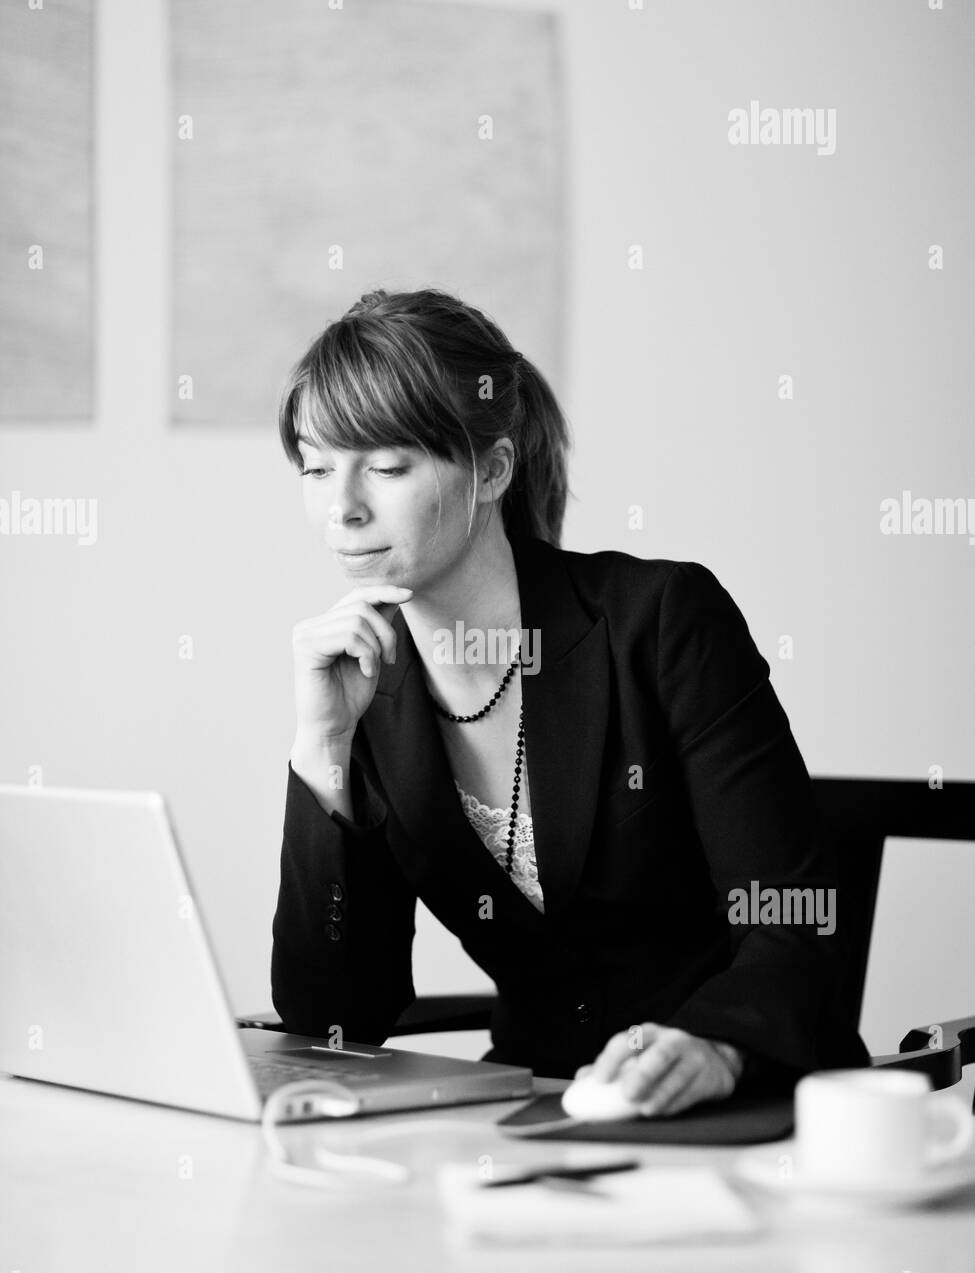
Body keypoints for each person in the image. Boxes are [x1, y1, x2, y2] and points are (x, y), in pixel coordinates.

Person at [270, 286, 870, 1117]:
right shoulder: (365, 685)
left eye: (386, 465)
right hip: (536, 1114)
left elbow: (795, 918)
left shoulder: (657, 622)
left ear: (493, 470)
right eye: (315, 467)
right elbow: (335, 1020)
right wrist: (322, 754)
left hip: (749, 1107)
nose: (342, 507)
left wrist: (714, 1046)